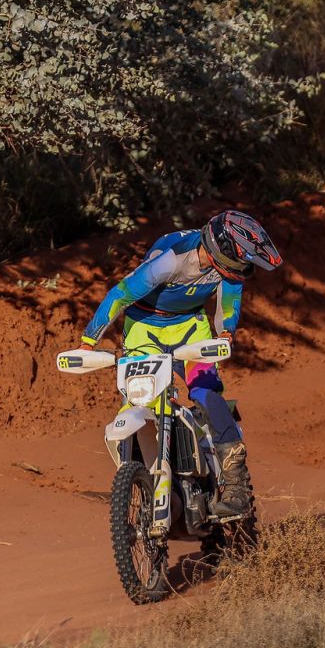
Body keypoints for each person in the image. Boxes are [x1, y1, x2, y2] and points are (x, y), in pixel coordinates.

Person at [78, 210, 283, 515]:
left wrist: (225, 333)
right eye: (240, 262)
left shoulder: (230, 271)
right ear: (221, 252)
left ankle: (237, 484)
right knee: (138, 398)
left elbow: (229, 304)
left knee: (205, 393)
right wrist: (88, 340)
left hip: (191, 327)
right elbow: (120, 294)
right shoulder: (172, 259)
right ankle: (141, 475)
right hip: (144, 327)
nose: (244, 269)